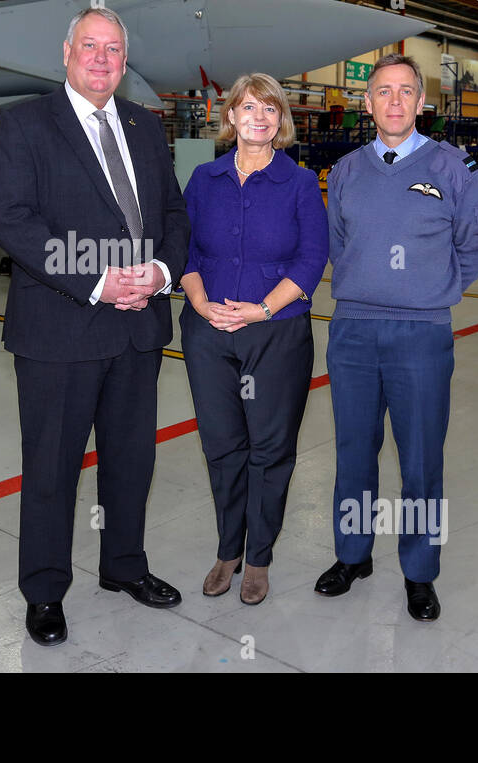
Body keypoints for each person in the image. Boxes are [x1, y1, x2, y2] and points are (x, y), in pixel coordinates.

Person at [0, 7, 191, 647]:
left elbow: (173, 214)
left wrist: (159, 273)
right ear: (67, 53)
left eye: (113, 50)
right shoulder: (24, 124)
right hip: (61, 330)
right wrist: (99, 282)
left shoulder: (144, 127)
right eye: (90, 47)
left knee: (131, 461)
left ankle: (123, 565)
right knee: (52, 469)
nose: (101, 59)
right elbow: (14, 222)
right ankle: (45, 591)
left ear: (124, 63)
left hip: (139, 328)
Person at [316, 53, 478, 622]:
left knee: (420, 460)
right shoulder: (343, 172)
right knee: (353, 454)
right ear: (367, 104)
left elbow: (473, 248)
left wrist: (429, 293)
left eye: (405, 91)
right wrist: (368, 287)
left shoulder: (454, 168)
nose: (394, 100)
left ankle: (419, 572)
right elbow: (337, 247)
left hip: (422, 333)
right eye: (383, 91)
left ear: (421, 103)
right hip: (353, 332)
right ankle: (353, 555)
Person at [179, 73, 328, 605]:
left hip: (276, 335)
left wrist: (262, 309)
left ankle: (258, 556)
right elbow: (185, 253)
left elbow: (311, 259)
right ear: (232, 118)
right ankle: (228, 549)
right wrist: (200, 305)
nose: (259, 117)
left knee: (269, 449)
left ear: (280, 120)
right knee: (222, 446)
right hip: (208, 333)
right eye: (248, 107)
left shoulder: (300, 183)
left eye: (269, 108)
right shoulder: (203, 179)